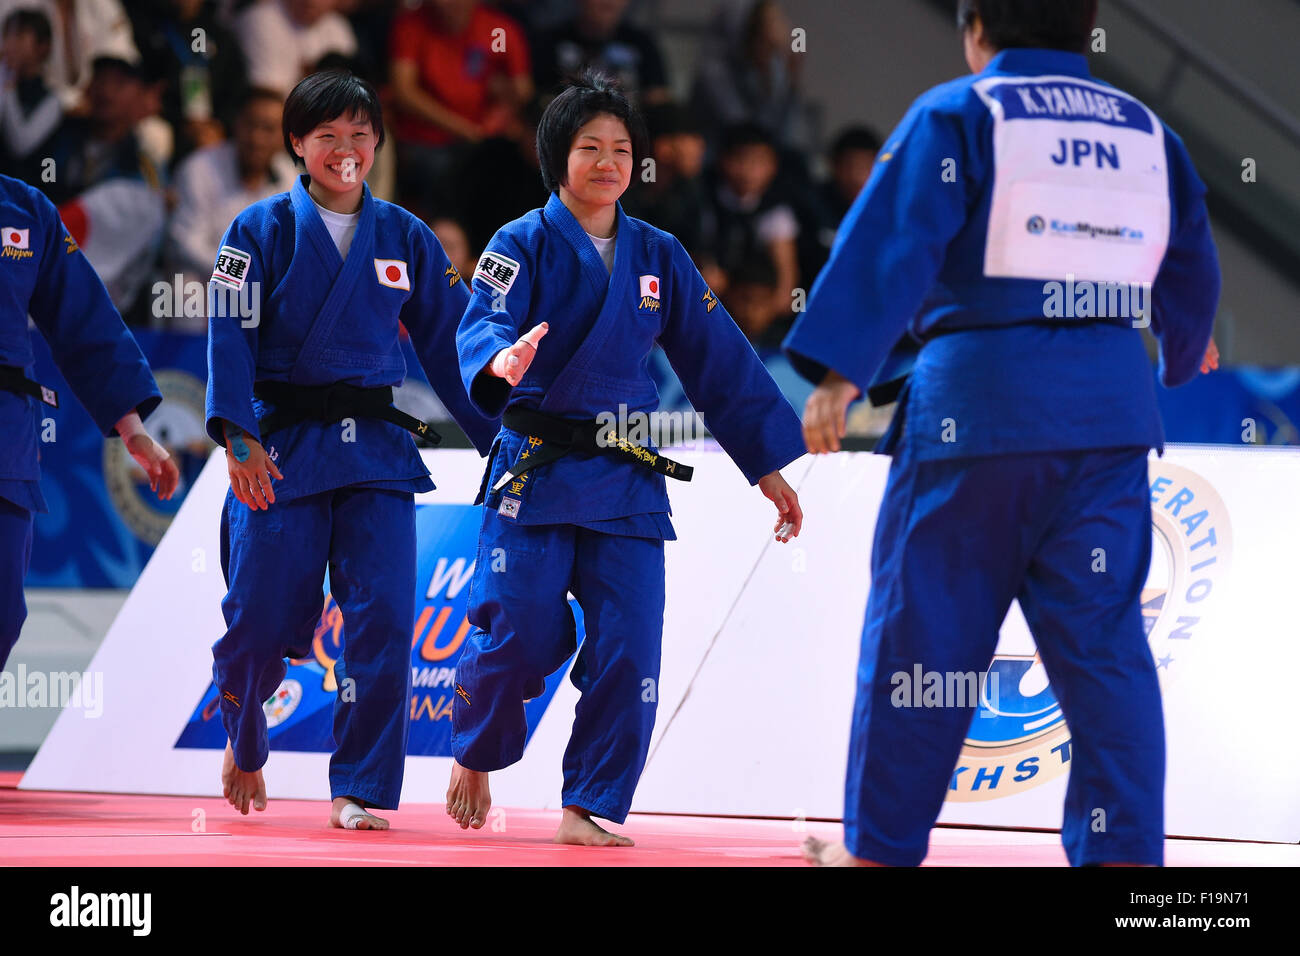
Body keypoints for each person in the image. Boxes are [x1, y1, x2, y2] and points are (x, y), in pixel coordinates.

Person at [784, 0, 1221, 867]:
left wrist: (840, 371)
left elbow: (893, 242)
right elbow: (1192, 257)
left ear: (976, 25)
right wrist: (1181, 337)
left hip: (976, 413)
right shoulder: (1147, 131)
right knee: (1107, 661)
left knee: (925, 640)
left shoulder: (962, 111)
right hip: (1108, 419)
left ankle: (879, 851)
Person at [448, 71, 806, 846]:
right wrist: (498, 360)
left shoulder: (660, 254)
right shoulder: (520, 242)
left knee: (630, 650)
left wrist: (768, 466)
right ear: (556, 158)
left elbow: (721, 363)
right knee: (515, 636)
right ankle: (475, 751)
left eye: (621, 148)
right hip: (535, 466)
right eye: (589, 147)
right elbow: (484, 319)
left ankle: (587, 806)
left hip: (625, 476)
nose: (609, 161)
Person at [204, 70, 497, 827]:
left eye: (360, 134)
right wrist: (238, 436)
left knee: (385, 622)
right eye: (326, 135)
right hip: (280, 447)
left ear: (377, 144)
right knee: (263, 622)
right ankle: (243, 728)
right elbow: (228, 335)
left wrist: (503, 435)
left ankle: (362, 787)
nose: (345, 148)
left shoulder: (407, 236)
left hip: (374, 452)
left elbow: (454, 343)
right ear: (297, 144)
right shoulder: (257, 231)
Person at [0, 172, 178, 674]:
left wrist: (133, 428)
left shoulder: (24, 210)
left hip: (6, 435)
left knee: (3, 613)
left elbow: (84, 320)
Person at [165, 85, 297, 321]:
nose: (256, 138)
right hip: (206, 278)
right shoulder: (199, 167)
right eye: (250, 125)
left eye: (267, 129)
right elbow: (185, 241)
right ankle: (192, 359)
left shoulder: (291, 180)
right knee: (185, 291)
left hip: (263, 284)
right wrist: (237, 275)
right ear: (236, 124)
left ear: (283, 137)